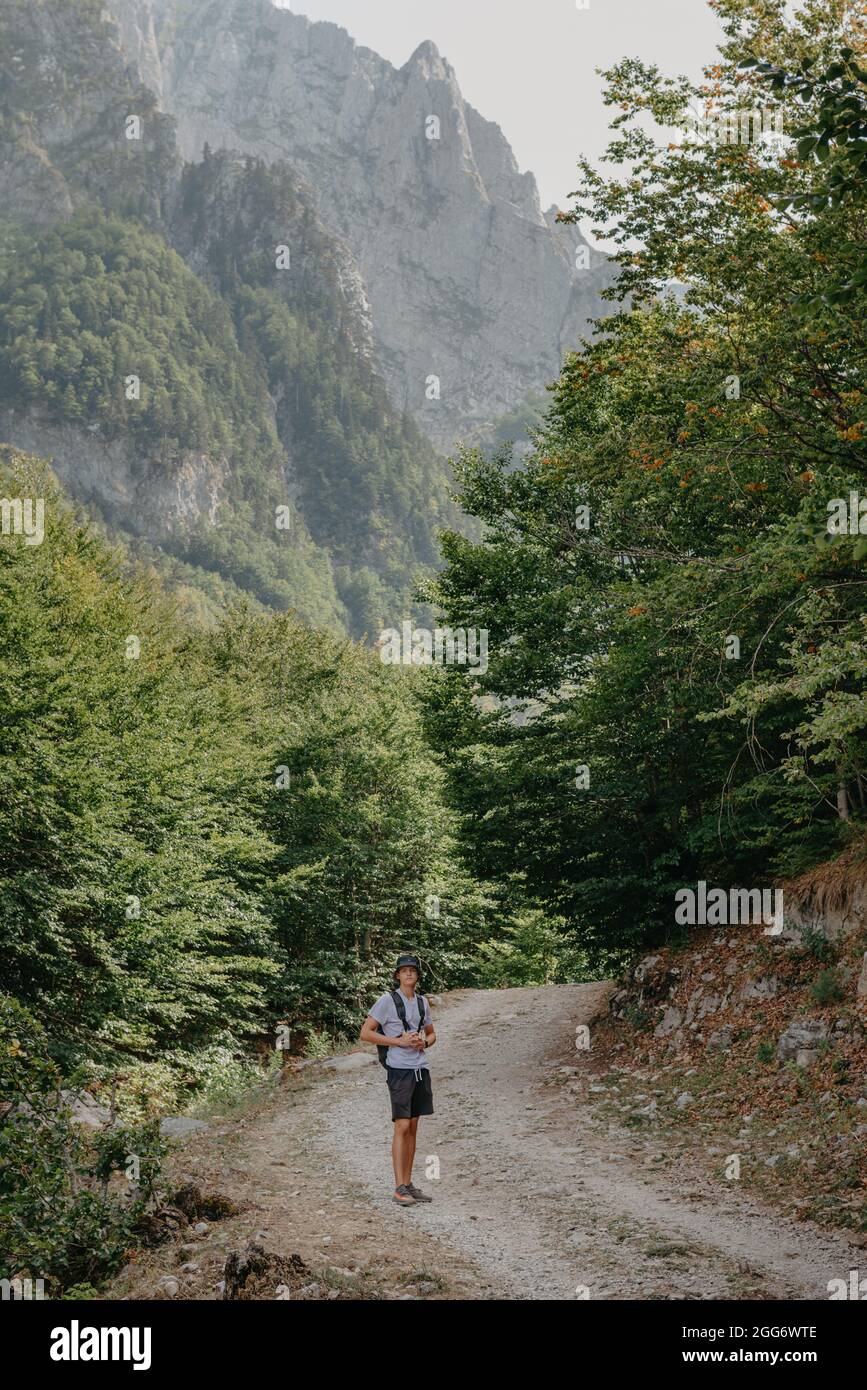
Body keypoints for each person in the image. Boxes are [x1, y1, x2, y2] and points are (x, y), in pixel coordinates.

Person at [359, 953, 437, 1206]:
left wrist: (423, 1042)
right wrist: (398, 1041)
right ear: (397, 975)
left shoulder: (423, 1002)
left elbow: (432, 1034)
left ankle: (409, 1184)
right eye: (404, 971)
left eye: (412, 970)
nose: (409, 974)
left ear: (417, 975)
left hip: (420, 1068)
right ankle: (398, 1187)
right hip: (399, 1070)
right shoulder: (386, 1001)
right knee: (402, 1126)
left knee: (413, 1127)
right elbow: (365, 1033)